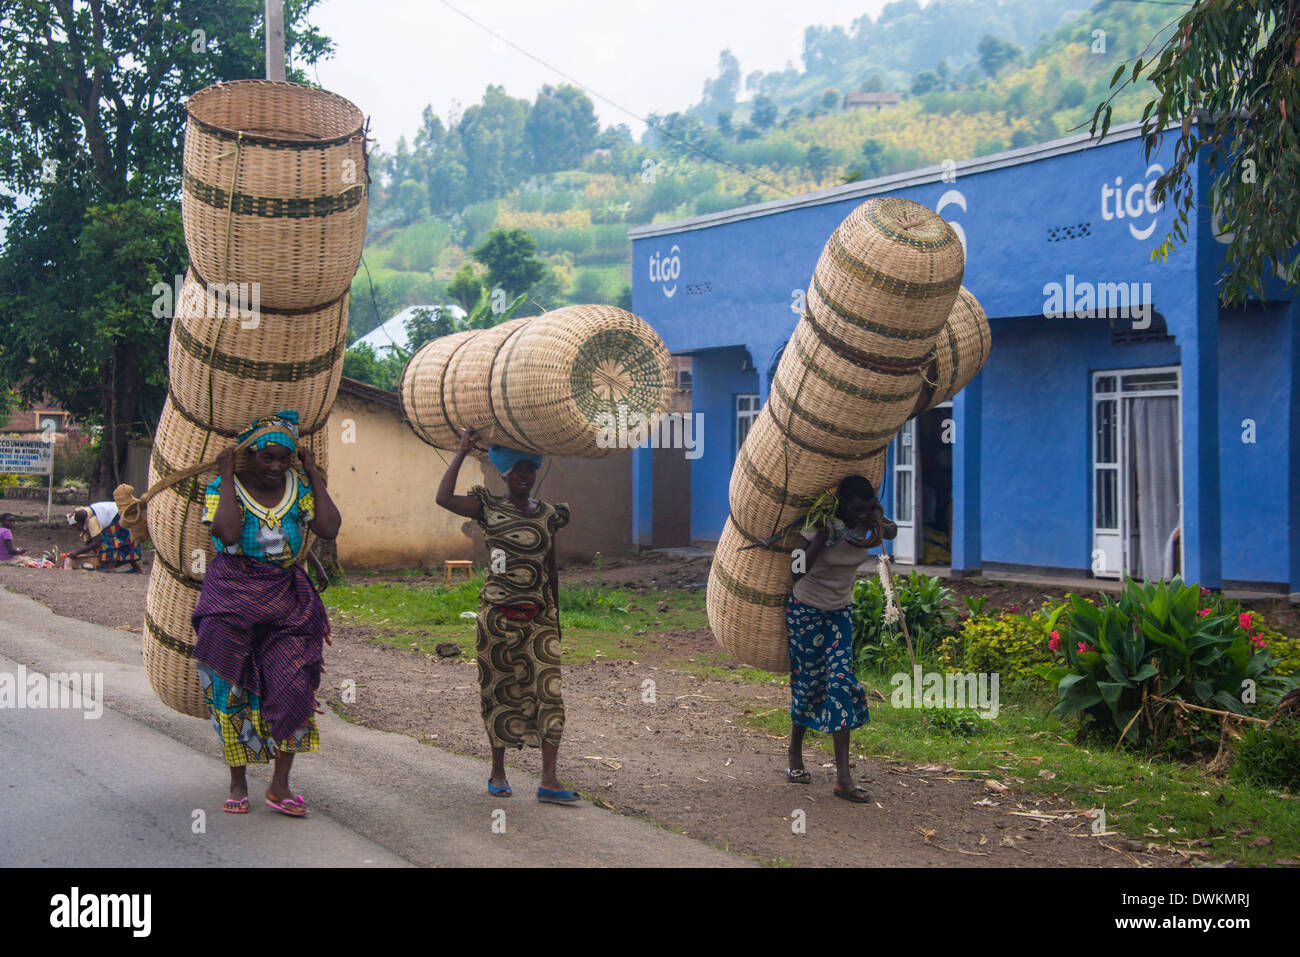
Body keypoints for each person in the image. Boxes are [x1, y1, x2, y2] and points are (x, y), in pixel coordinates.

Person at [192, 410, 341, 818]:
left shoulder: (300, 486)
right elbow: (227, 534)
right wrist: (225, 477)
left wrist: (313, 475)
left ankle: (280, 784)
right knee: (229, 687)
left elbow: (328, 528)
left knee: (294, 682)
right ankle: (238, 780)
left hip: (286, 598)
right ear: (248, 458)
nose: (275, 466)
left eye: (283, 459)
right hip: (230, 596)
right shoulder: (224, 488)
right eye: (266, 458)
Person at [436, 427, 580, 805]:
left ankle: (549, 779)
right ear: (503, 473)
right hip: (497, 618)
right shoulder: (488, 508)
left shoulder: (548, 514)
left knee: (549, 692)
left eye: (529, 469)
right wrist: (463, 450)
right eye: (516, 469)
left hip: (539, 618)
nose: (524, 475)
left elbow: (551, 567)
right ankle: (498, 770)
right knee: (500, 691)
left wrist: (557, 618)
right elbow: (443, 497)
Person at [786, 474, 896, 803]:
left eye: (868, 508)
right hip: (805, 610)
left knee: (841, 683)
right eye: (856, 508)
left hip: (840, 612)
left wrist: (879, 518)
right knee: (808, 683)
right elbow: (796, 570)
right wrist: (822, 536)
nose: (862, 514)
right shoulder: (817, 526)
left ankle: (843, 779)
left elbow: (890, 532)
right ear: (841, 504)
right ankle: (794, 754)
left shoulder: (869, 526)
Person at [66, 501, 143, 572]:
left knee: (108, 541)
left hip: (118, 516)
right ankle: (136, 567)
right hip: (118, 513)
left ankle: (109, 566)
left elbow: (96, 543)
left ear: (80, 523)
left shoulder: (92, 520)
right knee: (124, 543)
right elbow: (88, 540)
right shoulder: (81, 513)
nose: (76, 528)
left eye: (76, 526)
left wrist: (77, 552)